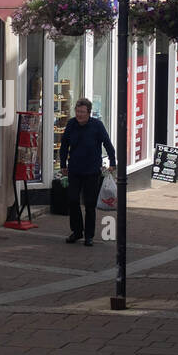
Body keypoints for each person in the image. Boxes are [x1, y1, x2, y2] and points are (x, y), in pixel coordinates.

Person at [59, 97, 116, 247]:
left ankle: (89, 236)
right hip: (74, 169)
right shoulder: (71, 124)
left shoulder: (97, 126)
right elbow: (64, 145)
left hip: (91, 171)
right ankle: (77, 231)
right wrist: (63, 163)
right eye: (77, 111)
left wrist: (112, 162)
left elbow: (107, 144)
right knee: (72, 201)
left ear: (89, 113)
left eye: (82, 112)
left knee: (90, 204)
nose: (79, 115)